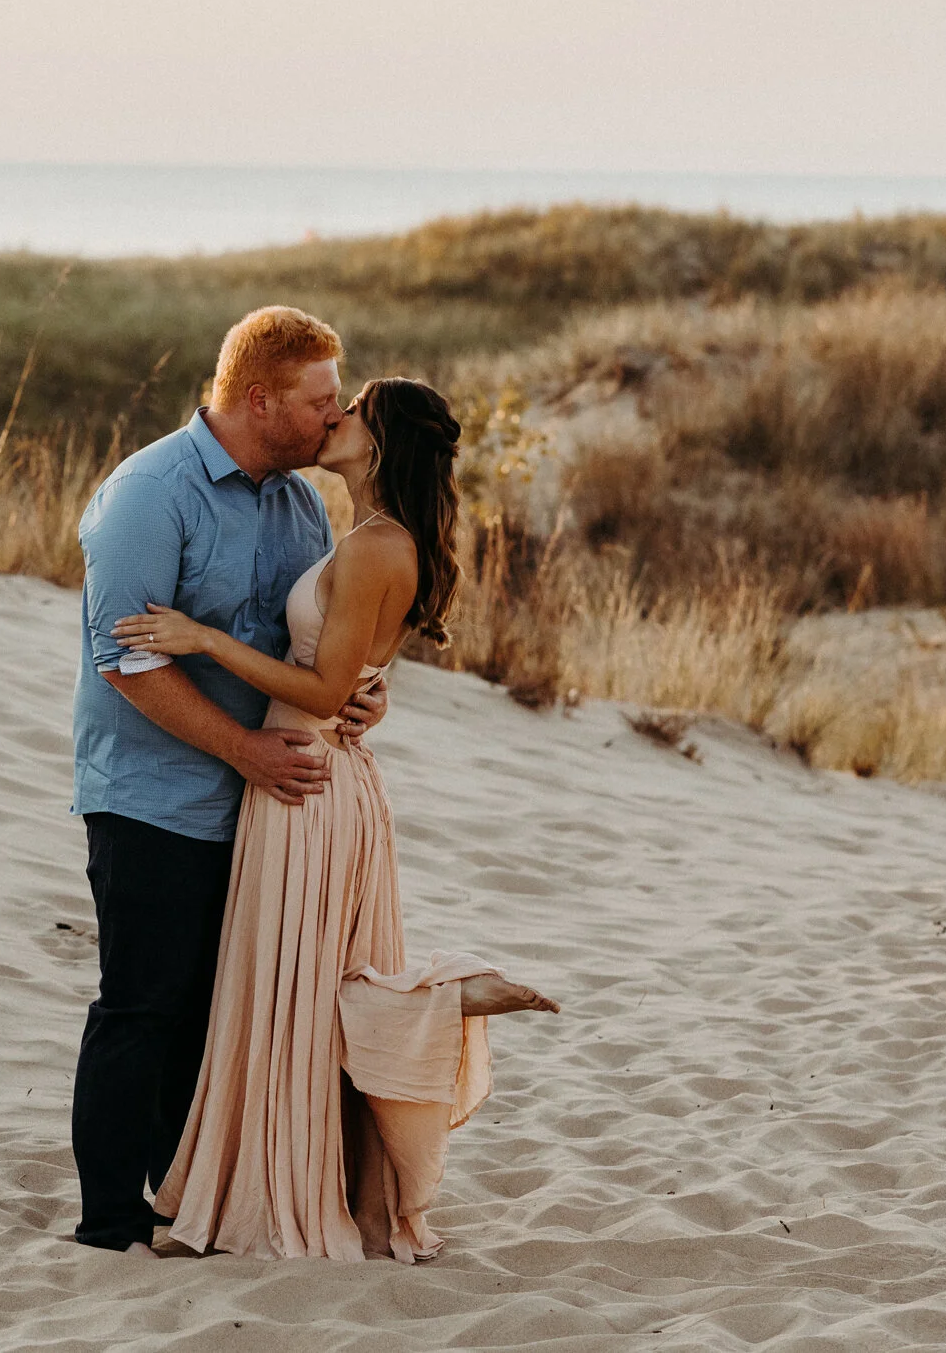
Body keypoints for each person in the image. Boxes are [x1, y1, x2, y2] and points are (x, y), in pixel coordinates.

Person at [115, 377, 560, 1263]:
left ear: (381, 438)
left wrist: (203, 639)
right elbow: (349, 669)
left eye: (351, 407)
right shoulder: (364, 538)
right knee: (303, 990)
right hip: (317, 776)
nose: (334, 417)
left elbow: (322, 688)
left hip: (307, 786)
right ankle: (331, 1171)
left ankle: (438, 999)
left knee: (304, 992)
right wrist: (371, 691)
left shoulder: (377, 546)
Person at [67, 306, 387, 1256]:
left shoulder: (298, 502)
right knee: (142, 1005)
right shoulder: (146, 495)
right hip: (151, 795)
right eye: (320, 401)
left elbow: (312, 650)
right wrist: (242, 749)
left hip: (261, 809)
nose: (334, 418)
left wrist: (356, 702)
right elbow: (124, 661)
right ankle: (110, 1223)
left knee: (219, 1012)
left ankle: (189, 1201)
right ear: (261, 399)